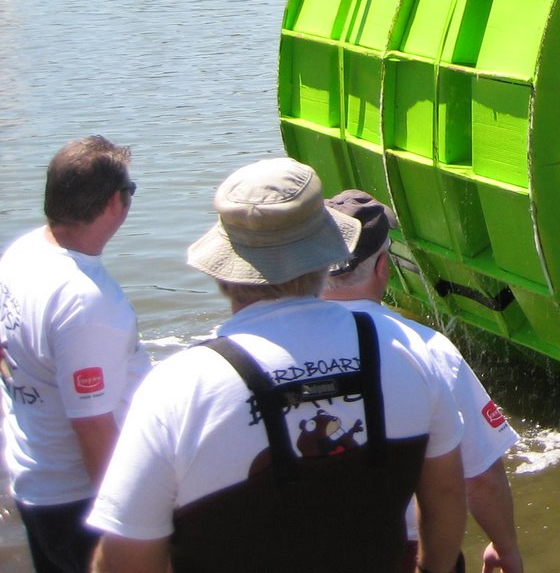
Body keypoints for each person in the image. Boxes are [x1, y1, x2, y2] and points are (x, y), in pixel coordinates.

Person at [86, 158, 466, 573]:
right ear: (325, 256)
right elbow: (446, 494)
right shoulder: (409, 351)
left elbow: (126, 558)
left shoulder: (178, 388)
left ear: (223, 272)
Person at [323, 189, 523, 573]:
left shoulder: (256, 350)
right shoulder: (427, 349)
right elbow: (479, 477)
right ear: (383, 266)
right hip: (400, 554)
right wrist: (505, 546)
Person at [0, 137, 149, 573]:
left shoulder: (23, 252)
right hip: (81, 501)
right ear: (113, 205)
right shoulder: (86, 301)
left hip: (37, 479)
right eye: (130, 191)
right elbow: (92, 428)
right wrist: (123, 528)